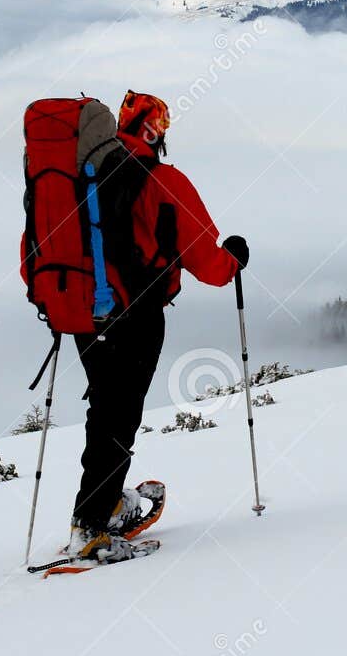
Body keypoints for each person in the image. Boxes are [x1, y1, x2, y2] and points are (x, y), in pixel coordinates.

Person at [66, 90, 248, 563]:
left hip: (82, 317)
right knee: (118, 415)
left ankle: (100, 505)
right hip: (137, 316)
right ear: (156, 131)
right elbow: (208, 263)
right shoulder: (165, 182)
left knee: (106, 408)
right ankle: (90, 527)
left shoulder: (72, 182)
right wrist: (235, 260)